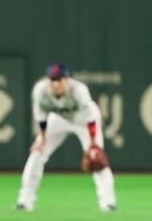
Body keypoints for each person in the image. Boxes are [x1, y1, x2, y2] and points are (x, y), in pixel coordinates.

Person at [16, 63, 117, 212]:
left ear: (67, 79)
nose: (56, 83)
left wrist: (94, 145)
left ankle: (108, 203)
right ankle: (25, 201)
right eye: (53, 79)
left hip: (84, 122)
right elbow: (42, 119)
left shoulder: (79, 90)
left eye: (60, 79)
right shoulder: (40, 91)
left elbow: (91, 120)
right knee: (37, 154)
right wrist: (42, 140)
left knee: (97, 159)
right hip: (58, 120)